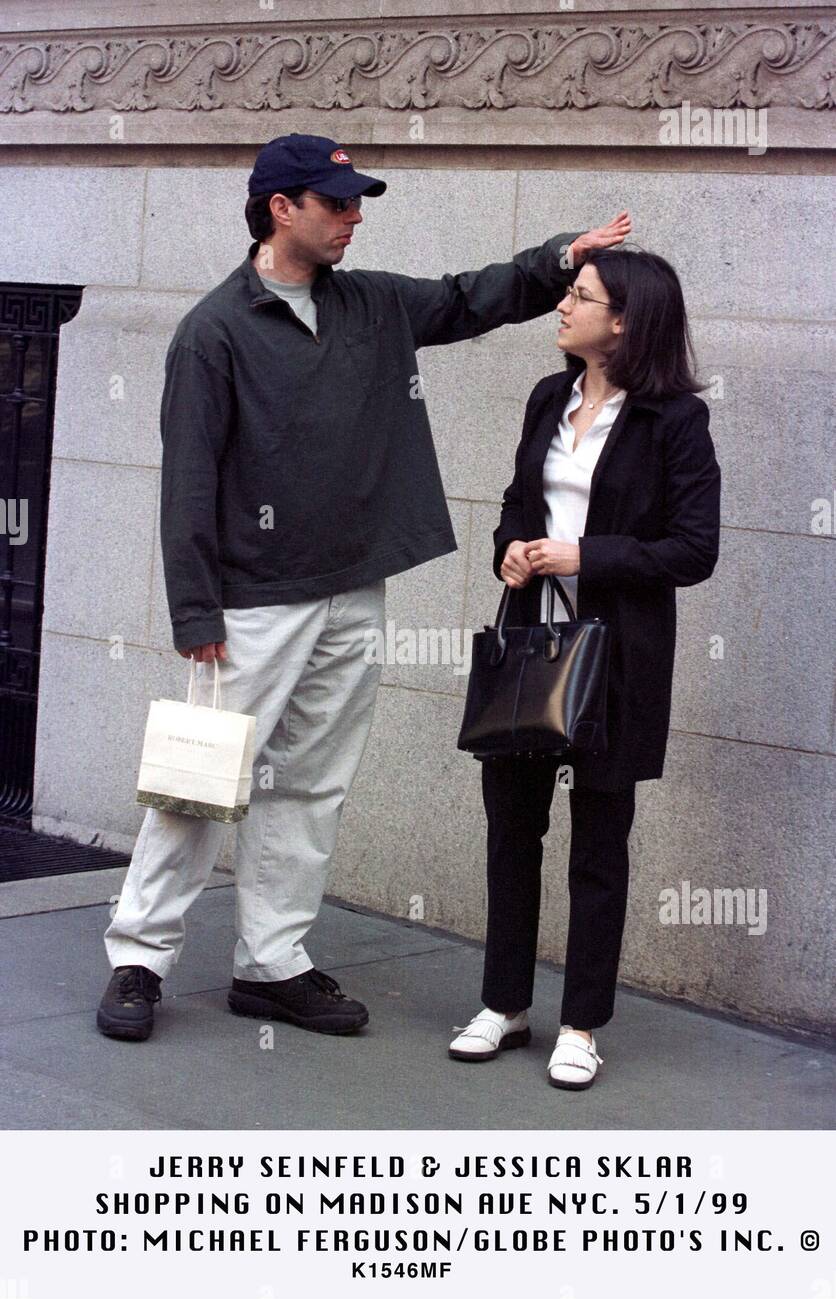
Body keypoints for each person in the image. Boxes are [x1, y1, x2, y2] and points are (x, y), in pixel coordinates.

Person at [97, 130, 632, 1042]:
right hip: (251, 602)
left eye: (357, 204)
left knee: (309, 783)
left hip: (353, 587)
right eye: (336, 203)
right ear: (281, 209)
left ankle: (271, 964)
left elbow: (468, 300)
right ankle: (140, 959)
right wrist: (195, 608)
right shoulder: (213, 331)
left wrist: (559, 261)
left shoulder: (373, 305)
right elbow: (187, 477)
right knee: (201, 782)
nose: (353, 219)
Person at [448, 246, 721, 1089]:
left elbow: (692, 548)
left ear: (626, 321)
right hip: (533, 647)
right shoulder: (547, 397)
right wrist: (511, 553)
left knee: (600, 843)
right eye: (568, 292)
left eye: (581, 295)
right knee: (511, 830)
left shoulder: (672, 419)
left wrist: (579, 555)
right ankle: (505, 1004)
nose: (563, 306)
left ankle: (581, 1023)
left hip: (619, 659)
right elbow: (515, 503)